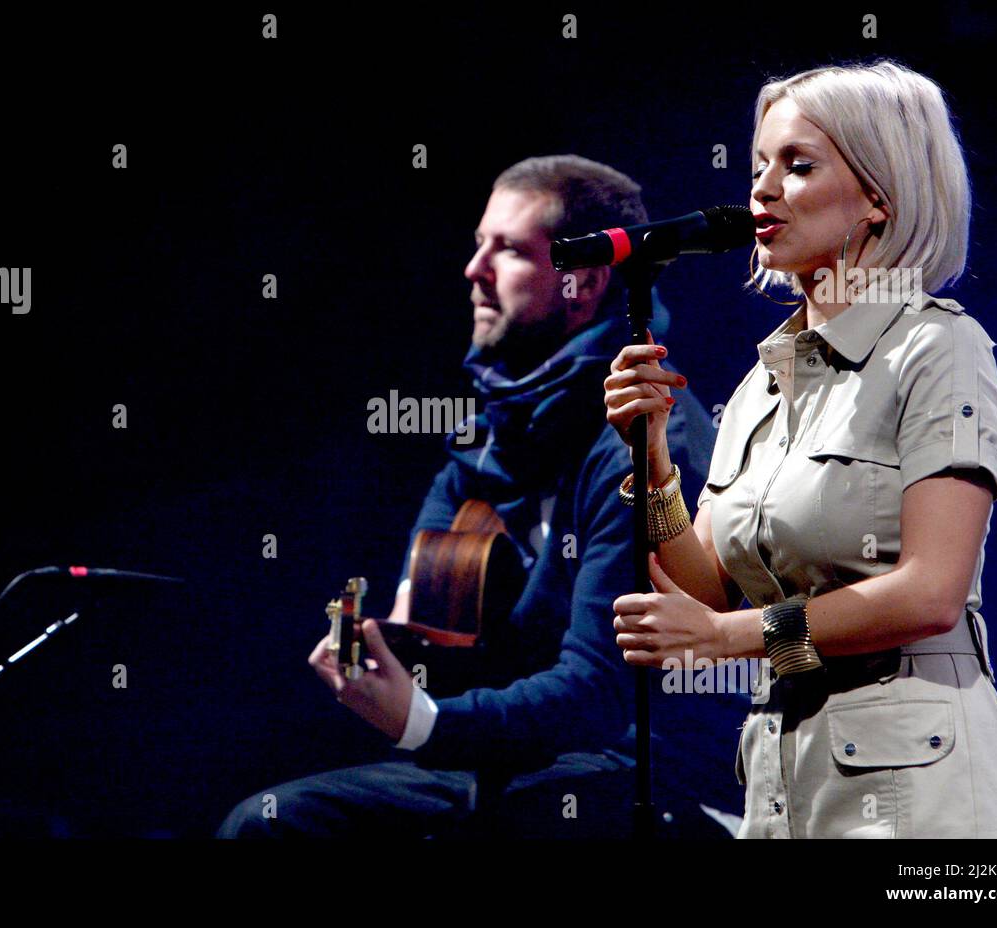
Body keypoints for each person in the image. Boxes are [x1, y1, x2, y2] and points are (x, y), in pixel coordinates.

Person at [218, 154, 734, 838]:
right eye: (478, 244)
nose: (474, 270)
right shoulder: (485, 437)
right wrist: (386, 642)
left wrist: (422, 721)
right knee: (269, 824)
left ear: (583, 282)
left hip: (637, 773)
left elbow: (597, 693)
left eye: (511, 251)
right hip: (518, 761)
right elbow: (437, 626)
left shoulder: (646, 443)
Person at [605, 60, 997, 837]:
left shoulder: (939, 348)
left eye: (798, 166)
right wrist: (654, 459)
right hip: (782, 777)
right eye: (758, 167)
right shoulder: (760, 387)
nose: (762, 191)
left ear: (880, 195)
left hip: (918, 790)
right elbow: (704, 590)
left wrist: (732, 639)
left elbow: (931, 593)